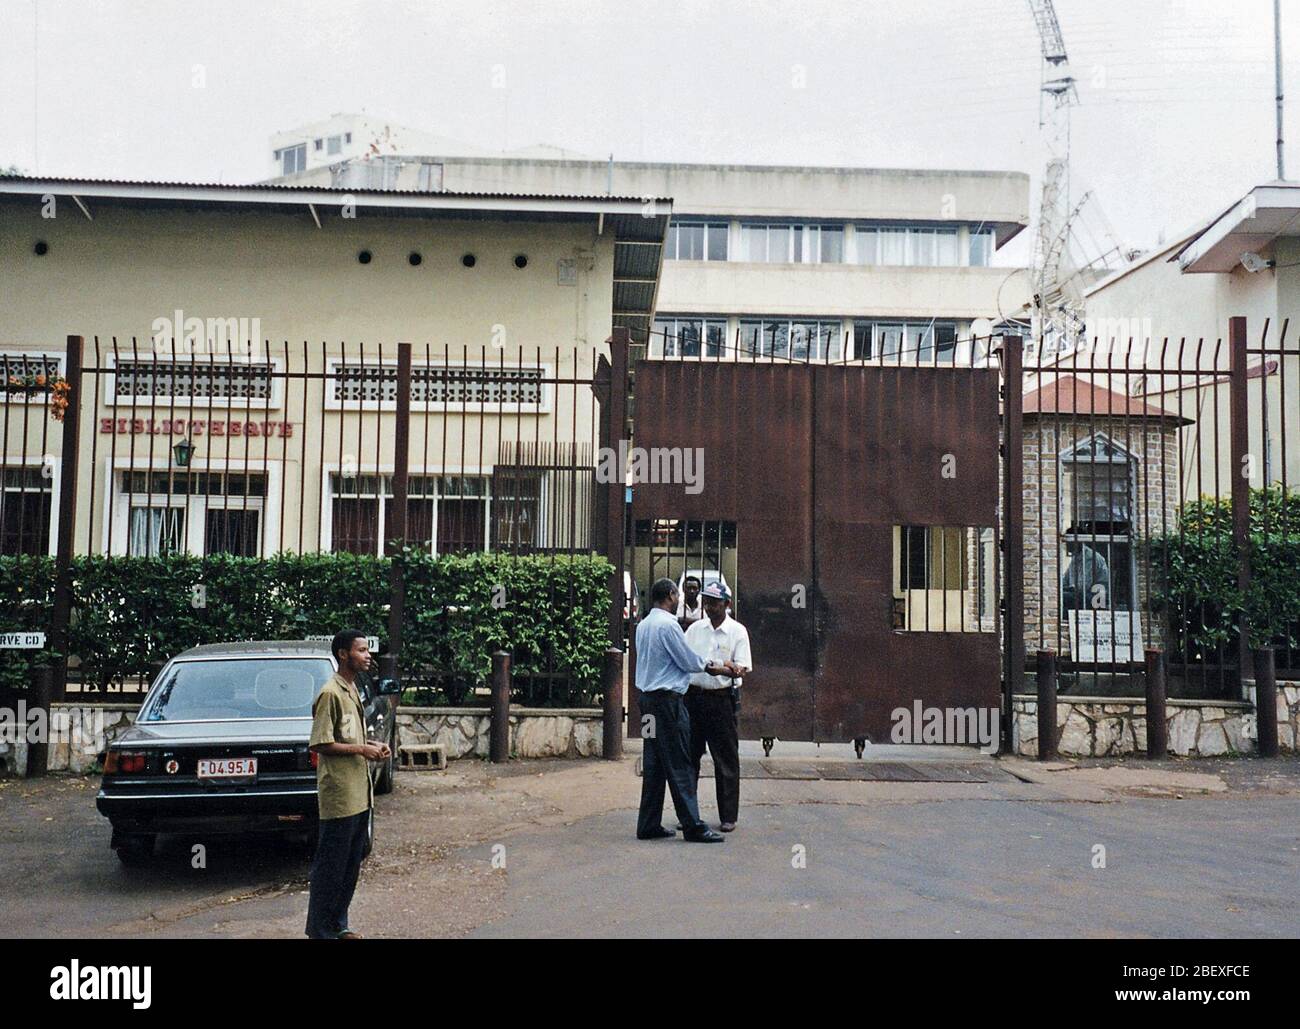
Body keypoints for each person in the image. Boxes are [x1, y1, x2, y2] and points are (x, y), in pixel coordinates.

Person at [635, 577, 737, 843]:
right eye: (677, 594)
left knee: (654, 762)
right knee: (680, 762)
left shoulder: (644, 624)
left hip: (646, 699)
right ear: (670, 595)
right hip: (667, 701)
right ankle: (692, 824)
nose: (680, 598)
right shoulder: (668, 625)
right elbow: (686, 660)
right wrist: (715, 664)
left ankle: (648, 823)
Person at [305, 629, 390, 940]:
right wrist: (362, 750)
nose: (368, 656)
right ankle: (320, 930)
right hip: (340, 795)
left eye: (368, 650)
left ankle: (339, 924)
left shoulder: (352, 689)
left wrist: (372, 744)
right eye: (362, 650)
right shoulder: (330, 693)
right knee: (330, 868)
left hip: (359, 793)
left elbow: (348, 737)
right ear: (343, 654)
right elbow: (321, 743)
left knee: (350, 867)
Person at [685, 581, 750, 832]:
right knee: (689, 758)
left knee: (725, 760)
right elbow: (685, 658)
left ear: (727, 604)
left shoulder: (737, 632)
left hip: (721, 699)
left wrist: (722, 668)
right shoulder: (695, 630)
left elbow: (742, 668)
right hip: (693, 698)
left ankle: (728, 816)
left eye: (715, 602)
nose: (709, 607)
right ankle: (688, 814)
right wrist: (725, 665)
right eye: (707, 602)